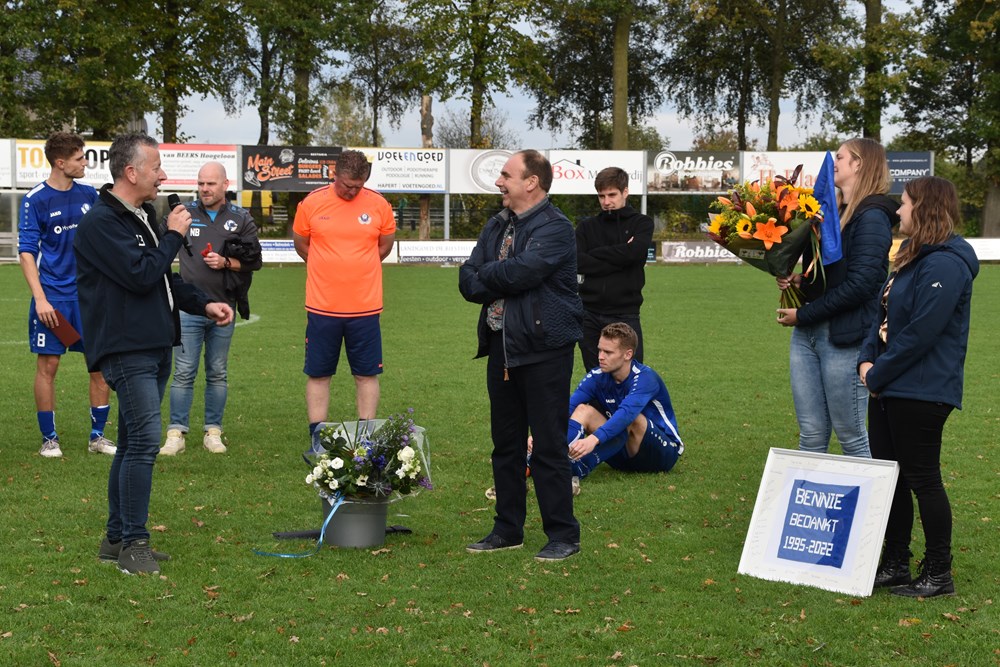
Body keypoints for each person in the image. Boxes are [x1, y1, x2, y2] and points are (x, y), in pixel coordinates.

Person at [74, 133, 234, 575]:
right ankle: (135, 544)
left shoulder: (140, 215)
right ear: (131, 173)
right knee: (144, 443)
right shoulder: (102, 224)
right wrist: (172, 236)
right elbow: (143, 274)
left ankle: (115, 539)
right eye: (156, 168)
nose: (163, 175)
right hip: (127, 348)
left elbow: (164, 281)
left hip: (154, 343)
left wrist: (203, 302)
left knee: (130, 444)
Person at [459, 149, 583, 562]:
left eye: (506, 175)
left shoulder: (557, 227)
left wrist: (490, 274)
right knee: (506, 445)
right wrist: (494, 275)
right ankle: (507, 529)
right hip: (502, 348)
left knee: (548, 446)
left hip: (545, 350)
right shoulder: (497, 224)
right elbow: (468, 281)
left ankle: (563, 535)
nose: (499, 181)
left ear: (531, 182)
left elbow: (520, 273)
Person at [859, 176, 978, 598]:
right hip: (890, 386)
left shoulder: (946, 263)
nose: (898, 211)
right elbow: (883, 316)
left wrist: (877, 372)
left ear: (925, 208)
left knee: (922, 478)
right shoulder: (910, 256)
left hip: (923, 389)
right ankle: (894, 562)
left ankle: (939, 572)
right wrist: (866, 359)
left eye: (905, 203)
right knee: (889, 477)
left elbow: (921, 334)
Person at [776, 138, 897, 458]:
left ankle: (870, 509)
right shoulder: (832, 211)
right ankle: (812, 508)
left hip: (845, 339)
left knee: (852, 437)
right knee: (811, 434)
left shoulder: (873, 216)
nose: (834, 163)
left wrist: (802, 314)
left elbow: (862, 285)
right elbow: (835, 276)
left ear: (859, 163)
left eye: (840, 157)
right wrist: (802, 280)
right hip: (808, 336)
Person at [18, 132, 115, 458]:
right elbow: (27, 252)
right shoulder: (35, 200)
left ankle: (98, 437)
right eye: (79, 158)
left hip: (90, 301)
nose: (85, 163)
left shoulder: (91, 195)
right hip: (55, 303)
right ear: (61, 163)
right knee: (49, 366)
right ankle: (50, 439)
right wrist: (41, 298)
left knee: (99, 366)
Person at [292, 150, 396, 439]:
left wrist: (358, 268)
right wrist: (326, 267)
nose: (351, 191)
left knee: (365, 374)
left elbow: (384, 246)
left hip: (365, 308)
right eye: (346, 184)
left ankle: (365, 435)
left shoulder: (379, 205)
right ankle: (318, 436)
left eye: (357, 186)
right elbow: (301, 242)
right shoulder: (312, 203)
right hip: (322, 307)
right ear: (333, 175)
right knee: (319, 373)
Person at [161, 162, 262, 456]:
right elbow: (161, 248)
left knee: (217, 372)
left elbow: (255, 260)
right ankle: (176, 434)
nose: (205, 189)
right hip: (188, 309)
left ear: (224, 184)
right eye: (201, 183)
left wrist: (227, 262)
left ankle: (213, 432)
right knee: (183, 372)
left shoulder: (241, 217)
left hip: (224, 310)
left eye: (211, 184)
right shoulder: (183, 214)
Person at [561, 322, 683, 494]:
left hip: (661, 454)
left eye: (608, 352)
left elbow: (626, 414)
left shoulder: (646, 378)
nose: (600, 357)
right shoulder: (597, 376)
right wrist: (542, 436)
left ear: (628, 354)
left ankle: (578, 468)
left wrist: (593, 439)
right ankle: (553, 461)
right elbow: (568, 407)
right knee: (583, 410)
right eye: (600, 350)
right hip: (620, 450)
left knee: (632, 418)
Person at [575, 167, 654, 370]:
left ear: (625, 192)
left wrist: (596, 254)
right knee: (596, 378)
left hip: (625, 313)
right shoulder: (586, 227)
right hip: (589, 314)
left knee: (631, 378)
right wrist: (622, 255)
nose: (606, 201)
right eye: (601, 196)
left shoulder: (642, 223)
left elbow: (635, 253)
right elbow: (578, 261)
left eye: (612, 195)